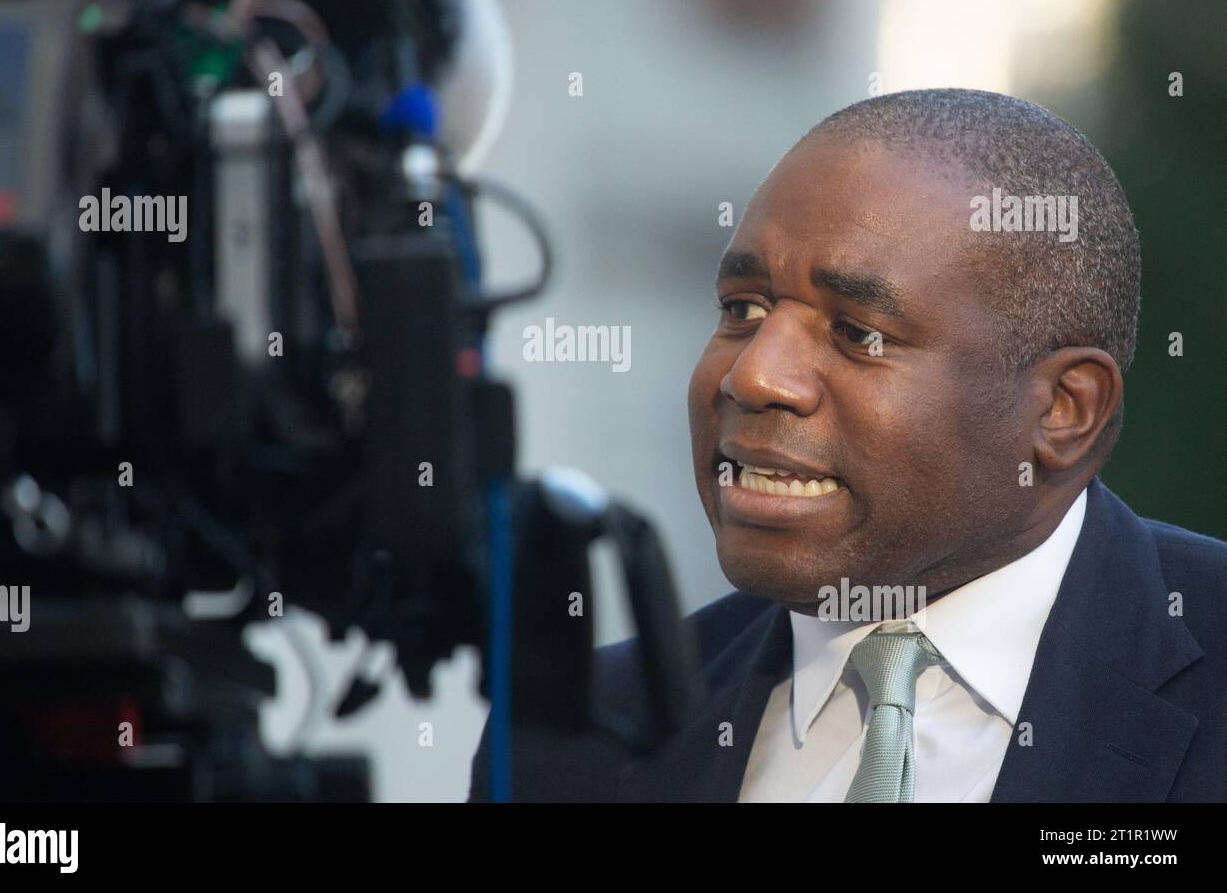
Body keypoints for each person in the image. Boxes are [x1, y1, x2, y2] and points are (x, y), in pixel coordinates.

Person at [468, 88, 1227, 802]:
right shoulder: (572, 742)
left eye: (857, 332)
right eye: (743, 307)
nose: (754, 373)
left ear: (1064, 410)